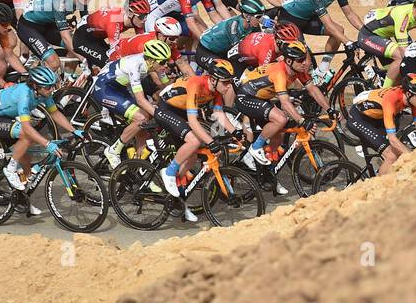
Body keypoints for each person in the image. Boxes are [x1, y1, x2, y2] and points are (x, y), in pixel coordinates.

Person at [236, 41, 329, 176]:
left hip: (262, 97)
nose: (305, 62)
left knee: (279, 135)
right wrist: (302, 121)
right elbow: (284, 103)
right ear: (289, 61)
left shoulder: (298, 70)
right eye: (300, 60)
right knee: (281, 118)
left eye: (305, 58)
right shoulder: (280, 72)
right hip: (246, 97)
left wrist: (330, 109)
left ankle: (267, 169)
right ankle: (255, 149)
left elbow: (313, 90)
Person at [0, 65, 79, 195]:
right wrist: (47, 144)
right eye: (48, 87)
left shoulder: (43, 93)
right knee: (27, 135)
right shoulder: (25, 94)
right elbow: (26, 127)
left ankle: (20, 195)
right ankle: (10, 170)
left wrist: (74, 130)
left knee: (26, 160)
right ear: (35, 86)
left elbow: (55, 114)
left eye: (53, 86)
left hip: (7, 119)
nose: (52, 90)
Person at [152, 58, 239, 197]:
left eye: (229, 81)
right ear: (213, 79)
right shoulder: (196, 84)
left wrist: (236, 132)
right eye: (225, 82)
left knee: (192, 157)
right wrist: (211, 142)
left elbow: (219, 114)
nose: (229, 86)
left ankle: (176, 186)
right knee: (195, 141)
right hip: (167, 109)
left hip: (182, 111)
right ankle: (168, 172)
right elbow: (193, 122)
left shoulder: (216, 90)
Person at [95, 39, 175, 170]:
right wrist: (159, 114)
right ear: (151, 60)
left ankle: (140, 169)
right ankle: (113, 150)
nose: (166, 65)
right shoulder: (135, 65)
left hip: (120, 88)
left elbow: (166, 86)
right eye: (163, 62)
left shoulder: (157, 64)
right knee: (141, 118)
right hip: (105, 88)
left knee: (143, 129)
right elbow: (140, 100)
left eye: (167, 60)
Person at [346, 72, 416, 175]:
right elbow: (393, 140)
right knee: (392, 156)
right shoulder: (391, 100)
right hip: (359, 119)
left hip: (377, 117)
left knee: (399, 151)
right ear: (409, 94)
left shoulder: (412, 99)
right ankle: (376, 187)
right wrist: (412, 157)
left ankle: (384, 171)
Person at [276, 0, 364, 59]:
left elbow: (350, 14)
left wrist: (366, 31)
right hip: (290, 20)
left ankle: (322, 70)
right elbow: (328, 25)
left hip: (307, 18)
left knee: (339, 31)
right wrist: (348, 42)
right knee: (304, 59)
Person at [19, 0, 95, 71]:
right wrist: (84, 60)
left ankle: (68, 81)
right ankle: (36, 85)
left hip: (47, 25)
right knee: (54, 63)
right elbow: (65, 37)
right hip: (29, 27)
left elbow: (86, 24)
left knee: (78, 44)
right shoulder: (60, 3)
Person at [192, 0, 266, 71]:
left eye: (262, 16)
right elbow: (237, 52)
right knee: (227, 72)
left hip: (224, 50)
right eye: (258, 17)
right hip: (206, 52)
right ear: (247, 16)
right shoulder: (233, 28)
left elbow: (260, 42)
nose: (261, 20)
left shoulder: (253, 24)